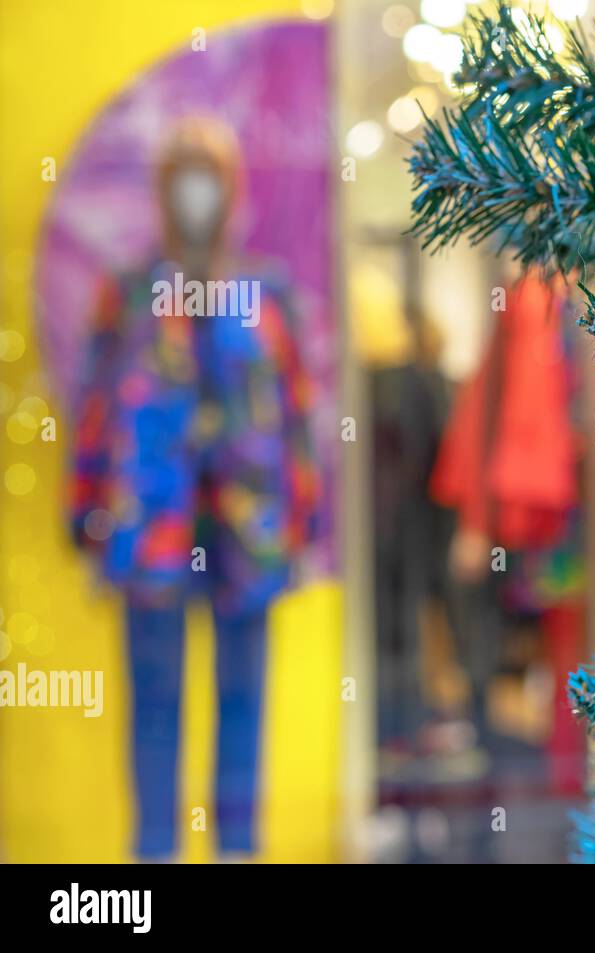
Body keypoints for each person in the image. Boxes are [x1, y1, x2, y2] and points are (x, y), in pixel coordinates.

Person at [69, 117, 318, 860]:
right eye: (182, 175)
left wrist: (302, 521)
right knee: (154, 704)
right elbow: (94, 411)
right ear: (162, 188)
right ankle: (153, 856)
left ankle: (238, 846)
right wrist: (86, 520)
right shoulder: (130, 291)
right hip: (153, 525)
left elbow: (297, 412)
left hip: (247, 527)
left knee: (243, 700)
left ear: (232, 185)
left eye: (209, 175)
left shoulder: (266, 291)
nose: (196, 194)